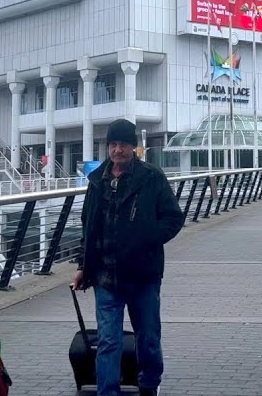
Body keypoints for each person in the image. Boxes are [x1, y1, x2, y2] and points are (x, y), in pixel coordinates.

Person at [72, 119, 185, 396]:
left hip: (142, 275)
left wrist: (146, 238)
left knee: (148, 338)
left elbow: (173, 218)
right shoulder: (97, 181)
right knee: (109, 340)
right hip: (105, 277)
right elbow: (88, 226)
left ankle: (149, 385)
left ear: (133, 147)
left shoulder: (151, 178)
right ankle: (108, 392)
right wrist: (82, 266)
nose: (117, 150)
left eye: (123, 144)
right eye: (112, 144)